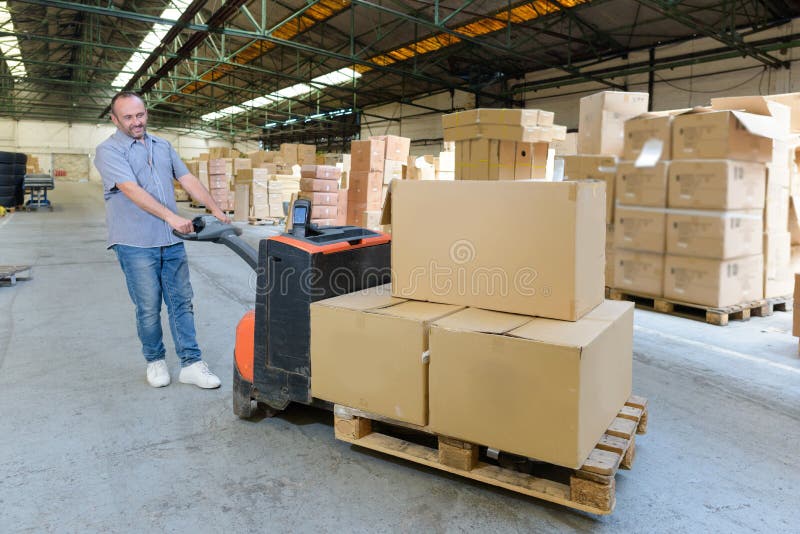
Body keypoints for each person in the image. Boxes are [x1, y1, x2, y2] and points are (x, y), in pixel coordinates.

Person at [95, 91, 228, 389]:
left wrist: (216, 208)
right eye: (127, 117)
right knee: (148, 306)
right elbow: (130, 189)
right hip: (135, 242)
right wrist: (171, 217)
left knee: (182, 302)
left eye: (139, 115)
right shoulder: (108, 151)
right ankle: (155, 361)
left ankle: (191, 364)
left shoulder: (162, 145)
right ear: (115, 119)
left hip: (171, 239)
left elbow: (187, 178)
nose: (136, 121)